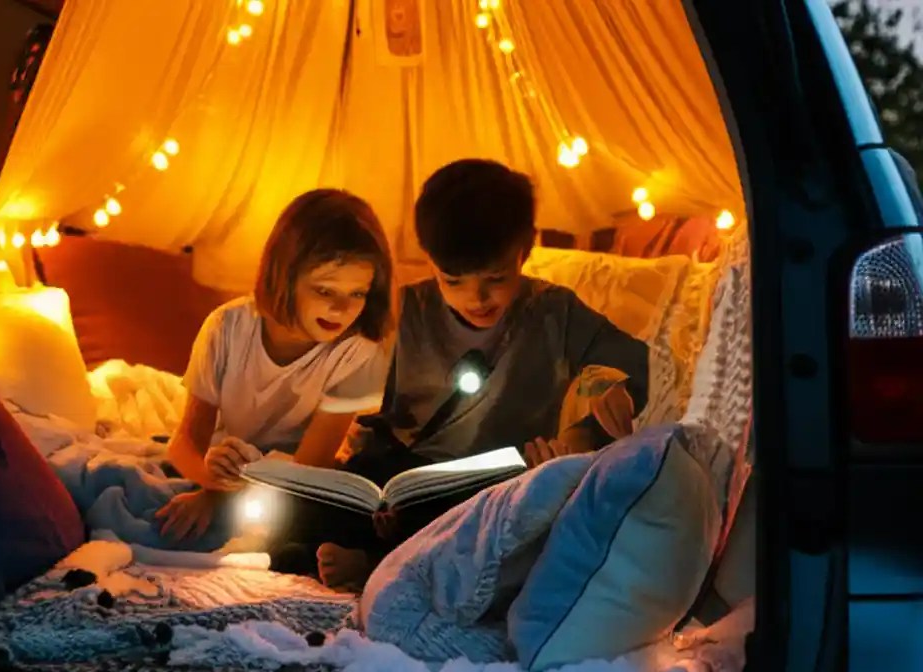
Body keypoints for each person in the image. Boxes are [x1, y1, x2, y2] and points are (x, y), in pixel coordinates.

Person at [316, 158, 650, 589]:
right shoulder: (405, 311)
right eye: (453, 281)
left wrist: (585, 431)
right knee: (341, 491)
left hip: (496, 479)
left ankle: (380, 565)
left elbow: (626, 364)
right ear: (431, 262)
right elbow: (365, 405)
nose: (478, 297)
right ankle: (365, 549)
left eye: (496, 277)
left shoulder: (553, 313)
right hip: (409, 474)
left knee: (509, 520)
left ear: (524, 250)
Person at [154, 188, 396, 544]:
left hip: (295, 479)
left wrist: (222, 495)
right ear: (286, 276)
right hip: (227, 464)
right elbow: (185, 444)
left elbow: (309, 467)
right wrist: (210, 479)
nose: (341, 310)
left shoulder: (360, 351)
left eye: (357, 293)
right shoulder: (228, 327)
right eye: (325, 291)